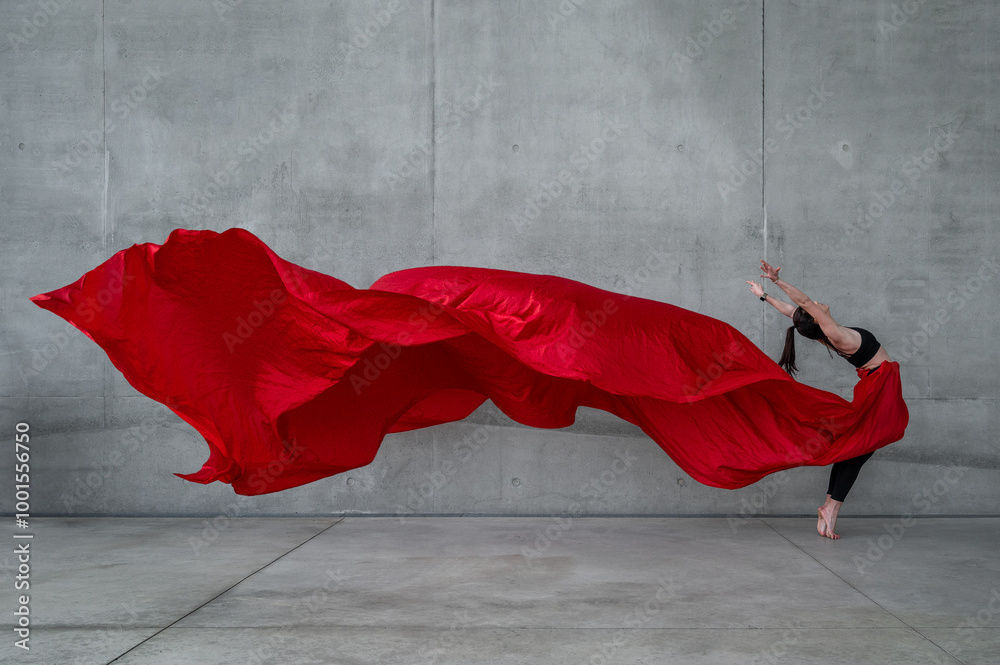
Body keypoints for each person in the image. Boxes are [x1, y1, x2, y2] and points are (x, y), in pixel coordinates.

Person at [746, 260, 894, 540]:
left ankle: (830, 505)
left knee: (855, 447)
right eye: (813, 307)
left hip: (876, 385)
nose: (815, 302)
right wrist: (776, 281)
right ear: (816, 318)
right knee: (860, 447)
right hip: (880, 387)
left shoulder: (825, 331)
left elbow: (795, 313)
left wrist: (764, 296)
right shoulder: (834, 333)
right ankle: (831, 507)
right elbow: (801, 303)